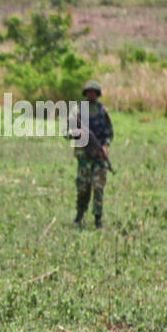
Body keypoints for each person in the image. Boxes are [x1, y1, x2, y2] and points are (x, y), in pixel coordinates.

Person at [72, 80, 113, 229]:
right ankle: (79, 215)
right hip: (84, 156)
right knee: (83, 188)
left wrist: (104, 146)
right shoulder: (77, 111)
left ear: (97, 94)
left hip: (99, 156)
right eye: (88, 92)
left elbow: (109, 133)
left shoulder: (103, 111)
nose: (91, 95)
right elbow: (67, 132)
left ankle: (98, 219)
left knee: (98, 188)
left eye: (93, 92)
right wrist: (78, 133)